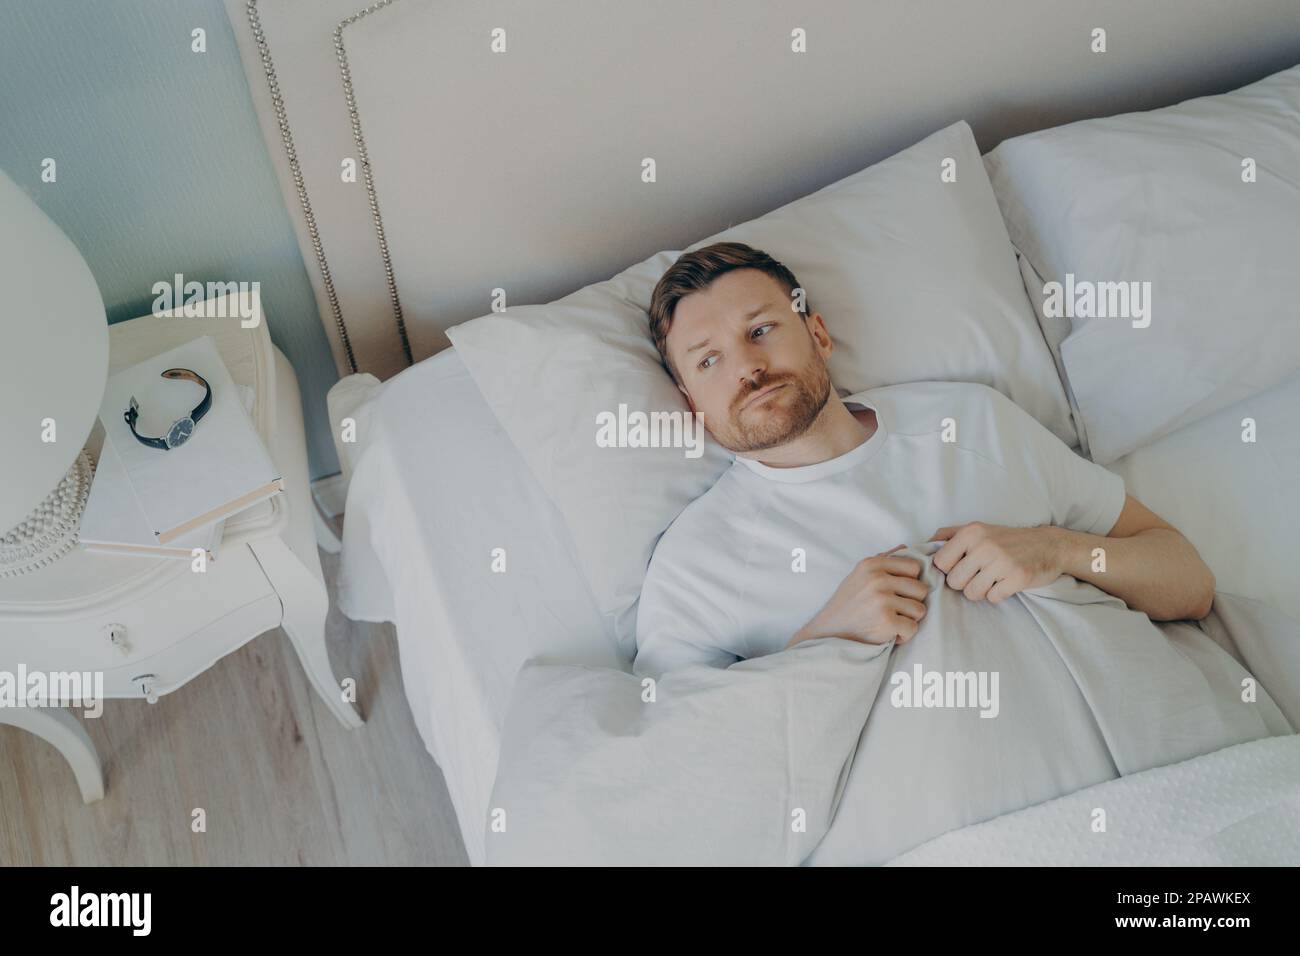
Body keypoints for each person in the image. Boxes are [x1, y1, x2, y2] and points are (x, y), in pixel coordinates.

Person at [632, 241, 1216, 678]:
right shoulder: (695, 565)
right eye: (708, 361)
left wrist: (1058, 550)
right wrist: (820, 641)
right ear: (691, 404)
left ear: (819, 335)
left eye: (761, 329)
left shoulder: (969, 419)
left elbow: (1189, 582)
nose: (746, 367)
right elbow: (682, 755)